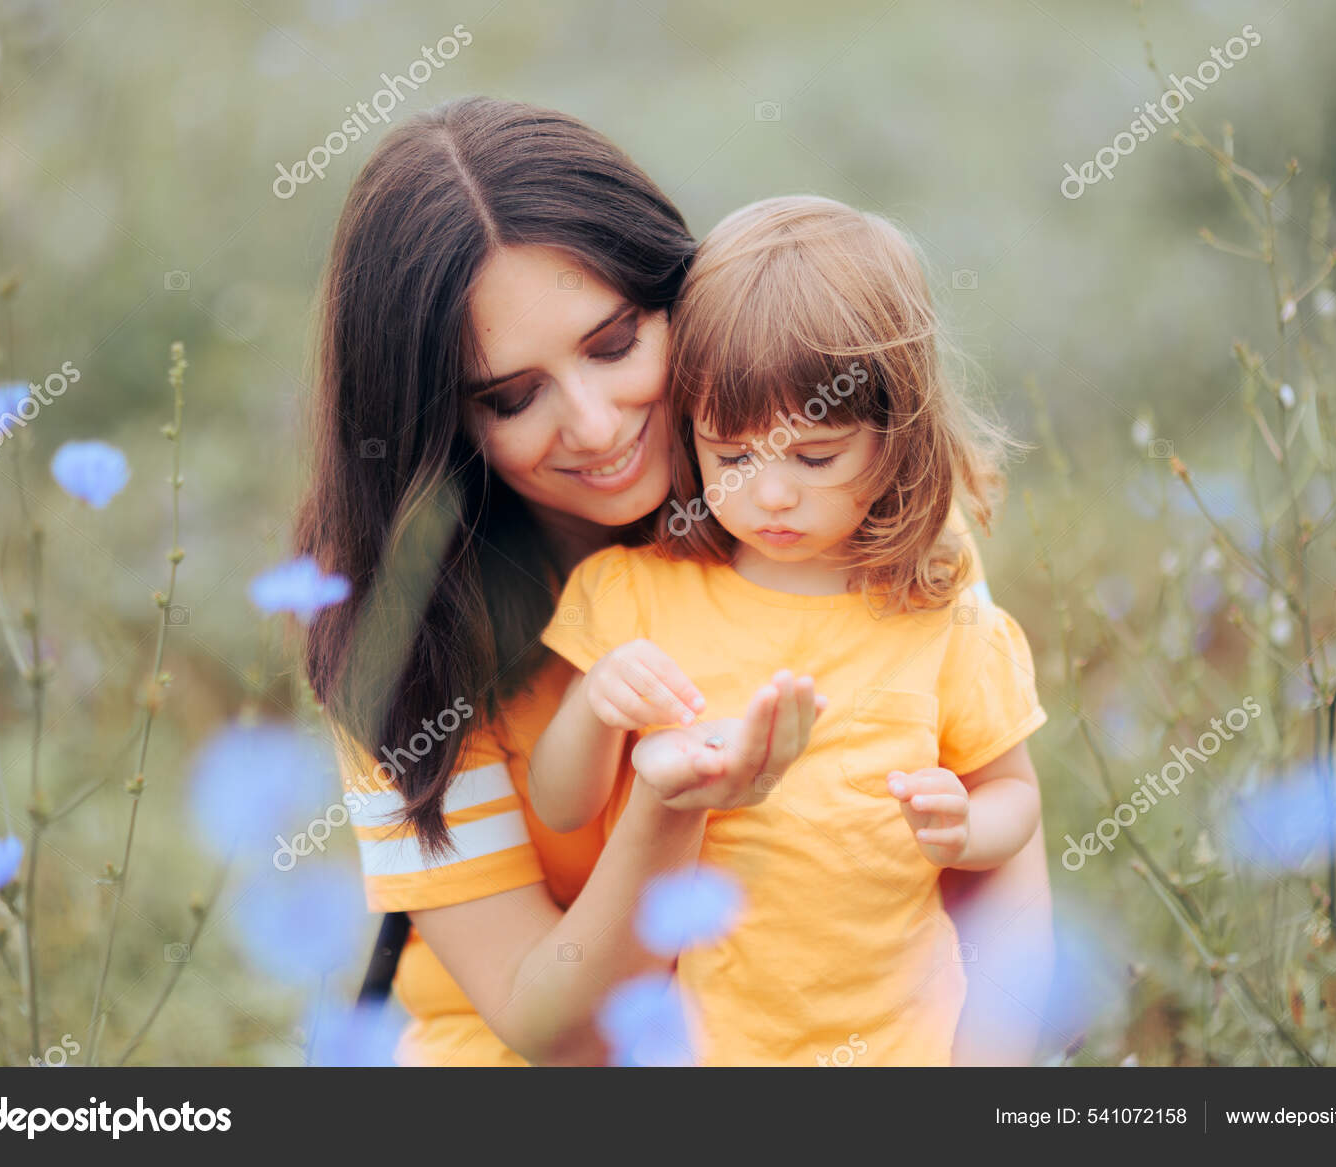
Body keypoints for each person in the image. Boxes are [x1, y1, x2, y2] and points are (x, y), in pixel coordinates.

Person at [297, 98, 1052, 1066]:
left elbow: (998, 875)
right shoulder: (392, 638)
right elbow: (549, 1031)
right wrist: (669, 804)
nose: (598, 425)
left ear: (681, 299)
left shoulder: (856, 515)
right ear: (439, 425)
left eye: (614, 346)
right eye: (511, 397)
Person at [528, 195, 1047, 1064]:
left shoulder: (935, 610)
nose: (769, 495)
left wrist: (967, 828)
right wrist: (593, 706)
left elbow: (1016, 797)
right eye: (731, 456)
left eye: (815, 457)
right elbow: (562, 802)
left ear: (898, 434)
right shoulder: (635, 594)